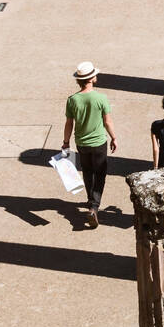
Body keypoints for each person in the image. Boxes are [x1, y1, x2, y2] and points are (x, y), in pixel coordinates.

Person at [61, 61, 117, 229]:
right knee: (100, 174)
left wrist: (65, 142)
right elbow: (107, 121)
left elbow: (69, 123)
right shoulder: (101, 98)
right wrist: (114, 137)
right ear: (92, 78)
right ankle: (94, 206)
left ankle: (90, 199)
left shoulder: (72, 100)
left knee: (87, 172)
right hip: (99, 142)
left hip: (81, 142)